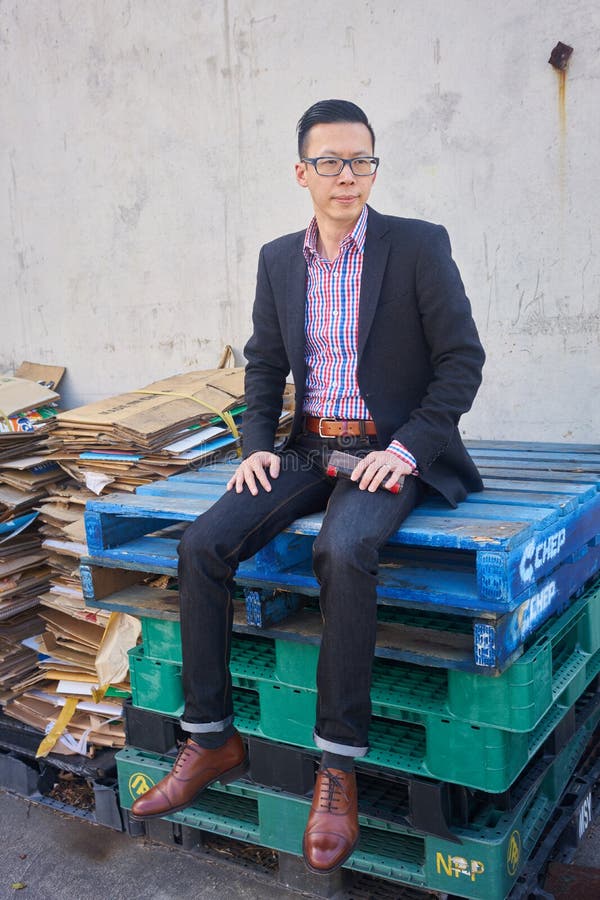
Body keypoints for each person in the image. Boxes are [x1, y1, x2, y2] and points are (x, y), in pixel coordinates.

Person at [131, 99, 485, 875]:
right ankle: (211, 738)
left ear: (373, 168)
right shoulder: (277, 259)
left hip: (385, 454)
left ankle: (337, 768)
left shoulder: (417, 247)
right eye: (329, 161)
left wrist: (408, 449)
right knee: (202, 543)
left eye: (361, 160)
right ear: (302, 172)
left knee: (344, 547)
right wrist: (257, 445)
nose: (347, 175)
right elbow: (264, 364)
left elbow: (462, 362)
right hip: (306, 450)